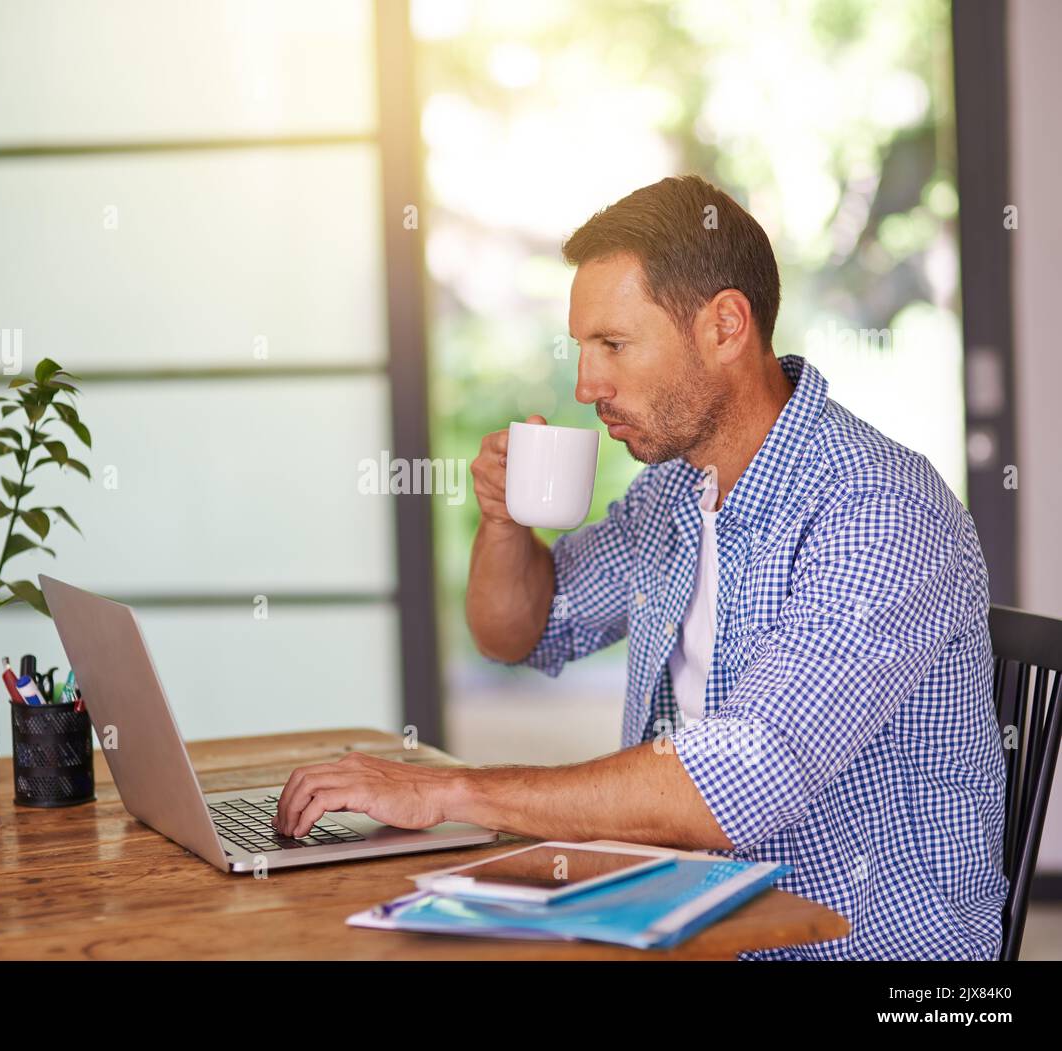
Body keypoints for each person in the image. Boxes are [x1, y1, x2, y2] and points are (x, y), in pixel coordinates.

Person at [274, 175, 1008, 960]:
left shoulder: (878, 507)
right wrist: (502, 522)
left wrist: (451, 790)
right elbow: (518, 632)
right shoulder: (673, 492)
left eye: (613, 345)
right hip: (687, 919)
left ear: (725, 325)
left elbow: (747, 776)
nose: (588, 385)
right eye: (582, 349)